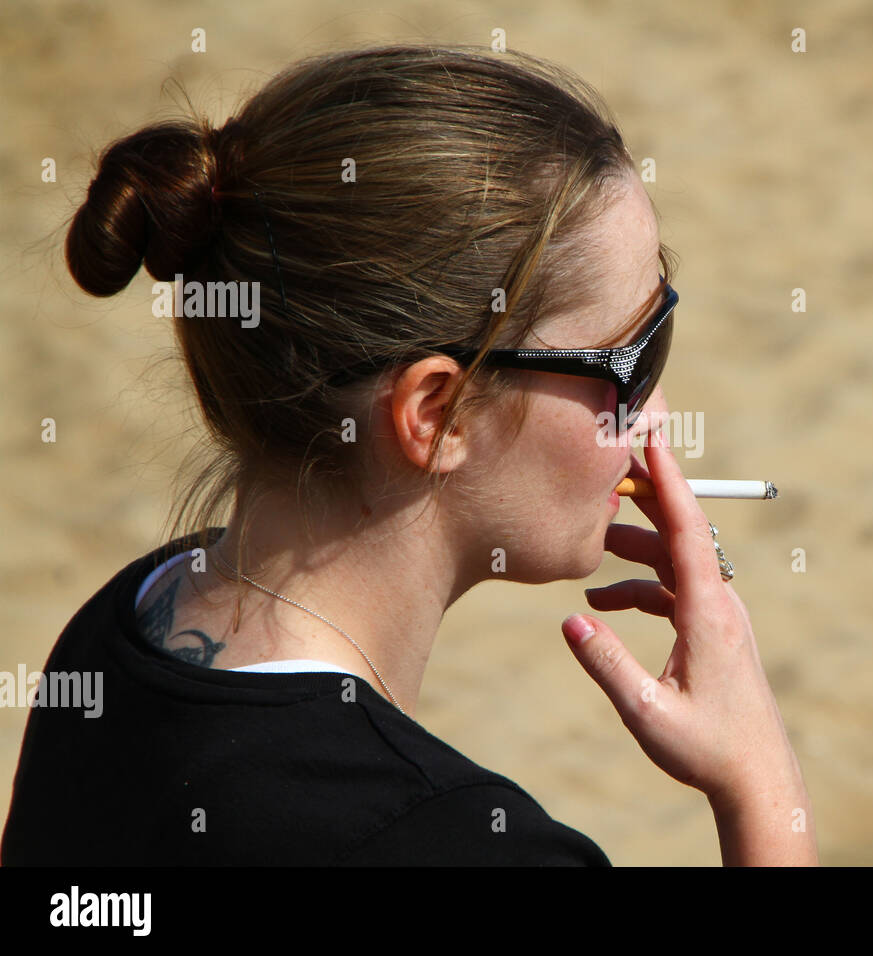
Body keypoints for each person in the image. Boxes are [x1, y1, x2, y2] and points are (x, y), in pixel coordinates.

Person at [1, 44, 817, 866]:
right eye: (632, 363)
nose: (658, 420)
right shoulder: (459, 846)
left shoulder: (118, 631)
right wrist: (759, 782)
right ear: (438, 411)